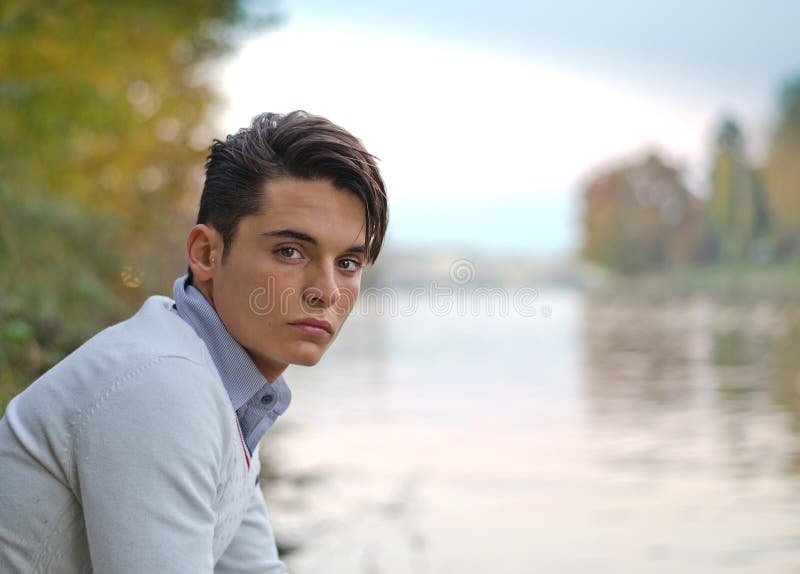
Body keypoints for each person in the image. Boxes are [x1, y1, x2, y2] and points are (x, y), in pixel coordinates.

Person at [0, 111, 389, 573]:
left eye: (348, 263)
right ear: (206, 254)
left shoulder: (223, 389)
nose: (325, 290)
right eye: (290, 251)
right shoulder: (161, 383)